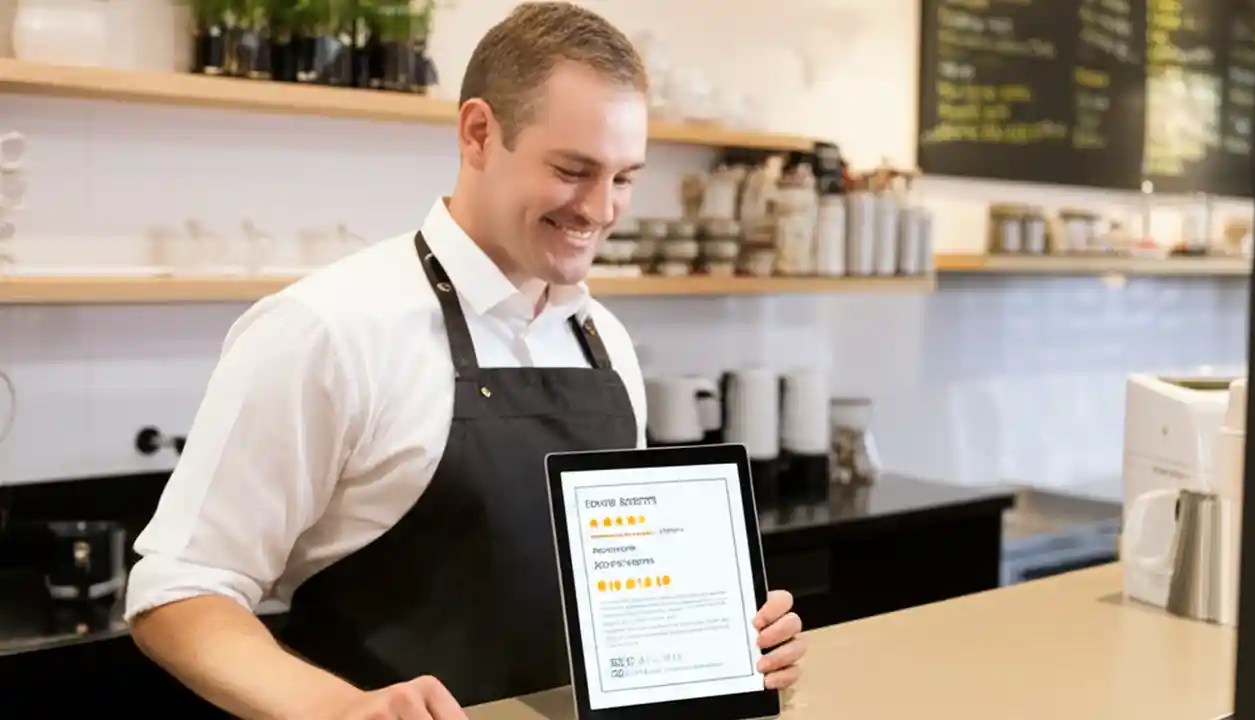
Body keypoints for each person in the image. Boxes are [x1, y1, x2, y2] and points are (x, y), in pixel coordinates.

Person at [124, 3, 806, 718]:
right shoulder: (328, 330)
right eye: (573, 170)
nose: (601, 210)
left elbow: (613, 600)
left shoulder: (603, 340)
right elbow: (178, 591)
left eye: (625, 178)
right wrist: (340, 709)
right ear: (478, 133)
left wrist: (724, 645)